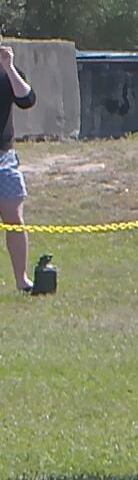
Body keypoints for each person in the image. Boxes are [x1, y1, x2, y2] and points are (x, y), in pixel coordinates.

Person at [1, 38, 40, 293]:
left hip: (3, 161)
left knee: (14, 218)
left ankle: (21, 279)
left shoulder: (7, 73)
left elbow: (27, 100)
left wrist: (9, 67)